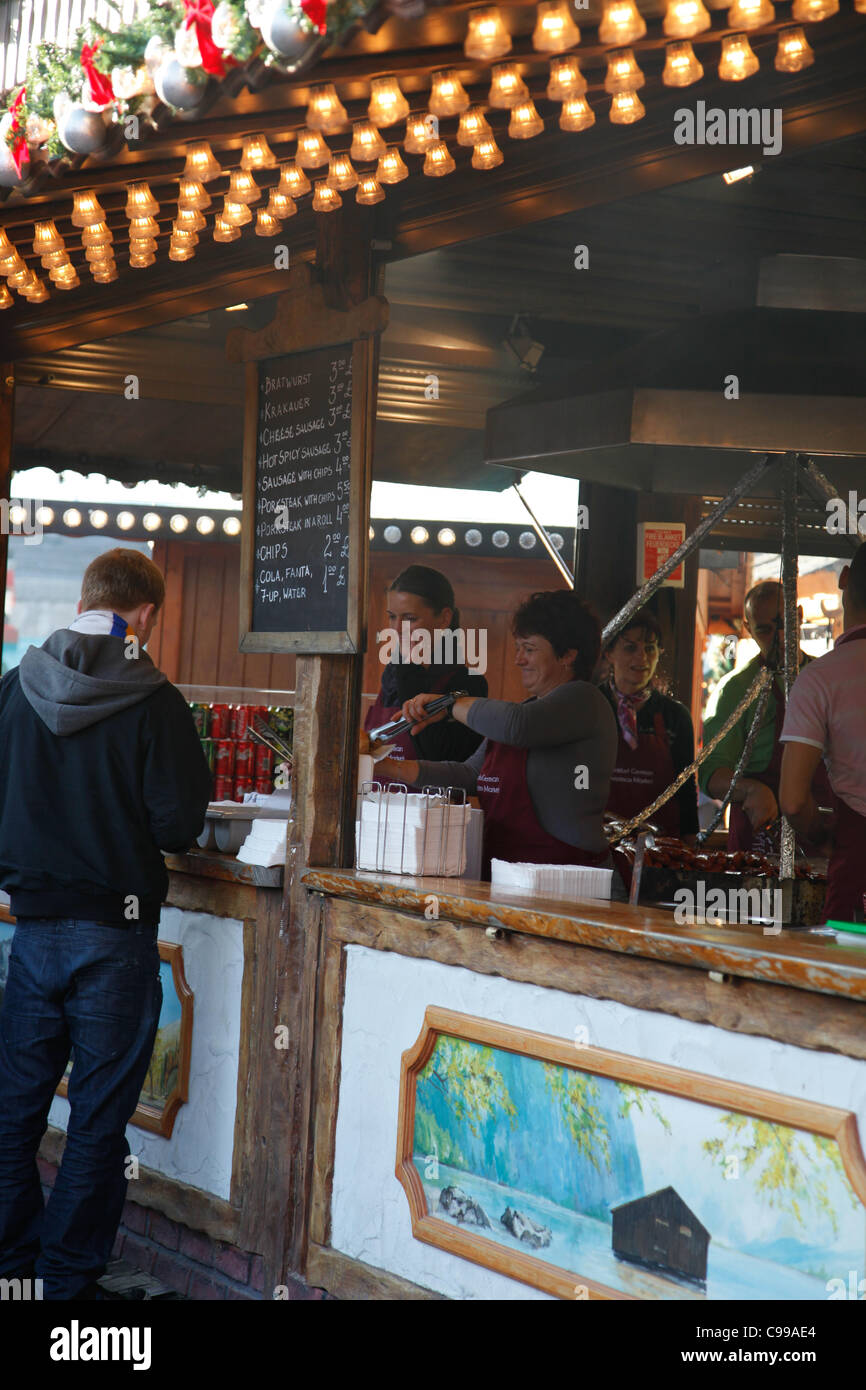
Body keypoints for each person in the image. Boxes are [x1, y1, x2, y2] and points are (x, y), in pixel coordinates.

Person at [0, 548, 211, 1300]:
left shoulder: (16, 688)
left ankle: (12, 1269)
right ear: (145, 614)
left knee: (15, 1108)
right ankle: (65, 1283)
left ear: (88, 599)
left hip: (30, 932)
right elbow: (180, 824)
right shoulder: (155, 700)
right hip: (115, 939)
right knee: (95, 1119)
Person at [375, 589, 618, 877]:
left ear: (567, 655)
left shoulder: (584, 701)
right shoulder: (525, 711)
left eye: (529, 649)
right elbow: (468, 775)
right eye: (518, 648)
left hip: (569, 877)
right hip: (509, 874)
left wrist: (450, 705)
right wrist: (387, 765)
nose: (518, 659)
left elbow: (519, 726)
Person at [698, 579, 833, 852]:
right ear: (748, 629)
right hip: (759, 836)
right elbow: (711, 773)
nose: (780, 636)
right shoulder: (735, 689)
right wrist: (749, 789)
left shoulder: (829, 679)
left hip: (824, 832)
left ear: (799, 615)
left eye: (785, 623)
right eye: (766, 629)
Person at [780, 545, 866, 923]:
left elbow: (794, 801)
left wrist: (823, 837)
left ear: (845, 578)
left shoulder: (820, 680)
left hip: (856, 868)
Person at [365, 564, 487, 763]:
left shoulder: (468, 684)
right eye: (392, 617)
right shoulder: (391, 678)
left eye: (410, 618)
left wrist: (410, 670)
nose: (397, 629)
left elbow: (439, 756)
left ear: (444, 618)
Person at [600, 609, 699, 844]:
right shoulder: (590, 705)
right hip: (598, 842)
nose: (641, 658)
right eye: (630, 648)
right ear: (609, 654)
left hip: (658, 847)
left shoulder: (675, 716)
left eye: (650, 648)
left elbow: (684, 787)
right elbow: (577, 772)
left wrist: (689, 843)